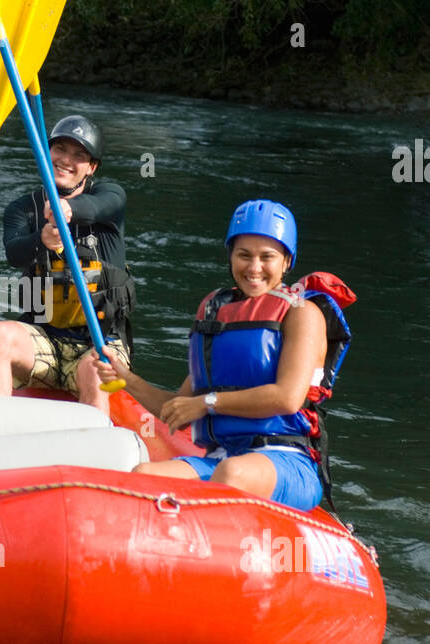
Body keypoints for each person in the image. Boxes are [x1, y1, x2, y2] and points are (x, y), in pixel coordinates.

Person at [93, 199, 354, 510]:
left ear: (286, 261)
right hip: (221, 457)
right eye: (244, 255)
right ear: (231, 256)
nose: (254, 268)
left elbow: (287, 398)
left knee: (232, 473)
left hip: (287, 460)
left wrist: (206, 403)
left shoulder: (302, 313)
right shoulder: (220, 315)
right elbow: (176, 408)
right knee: (144, 474)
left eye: (267, 257)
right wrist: (128, 379)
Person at [0, 116, 135, 414]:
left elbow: (99, 206)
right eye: (59, 149)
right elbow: (14, 254)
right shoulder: (22, 208)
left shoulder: (111, 197)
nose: (66, 160)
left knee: (95, 367)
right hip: (43, 340)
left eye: (79, 156)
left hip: (99, 342)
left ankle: (91, 453)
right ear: (46, 153)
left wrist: (67, 209)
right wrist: (42, 240)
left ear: (92, 167)